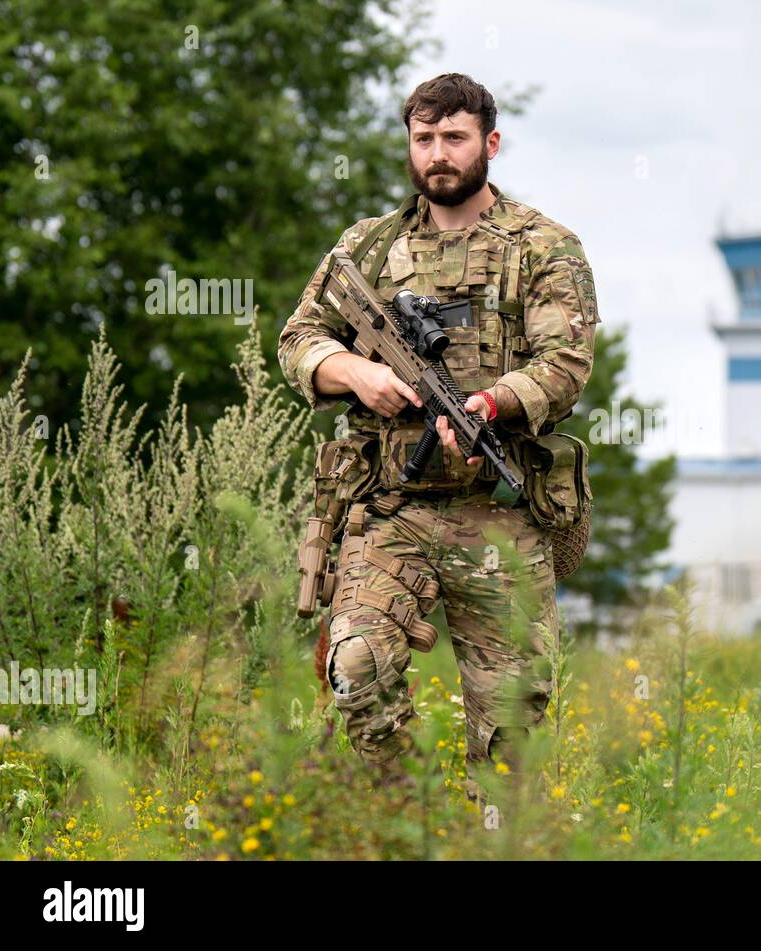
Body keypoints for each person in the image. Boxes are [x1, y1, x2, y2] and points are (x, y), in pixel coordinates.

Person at [277, 72, 599, 794]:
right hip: (391, 507)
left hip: (499, 518)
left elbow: (566, 364)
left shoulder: (544, 247)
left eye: (454, 137)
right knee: (354, 668)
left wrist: (490, 404)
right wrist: (354, 374)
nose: (438, 154)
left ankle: (490, 836)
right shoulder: (368, 245)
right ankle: (414, 816)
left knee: (513, 734)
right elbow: (299, 339)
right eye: (424, 139)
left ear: (489, 142)